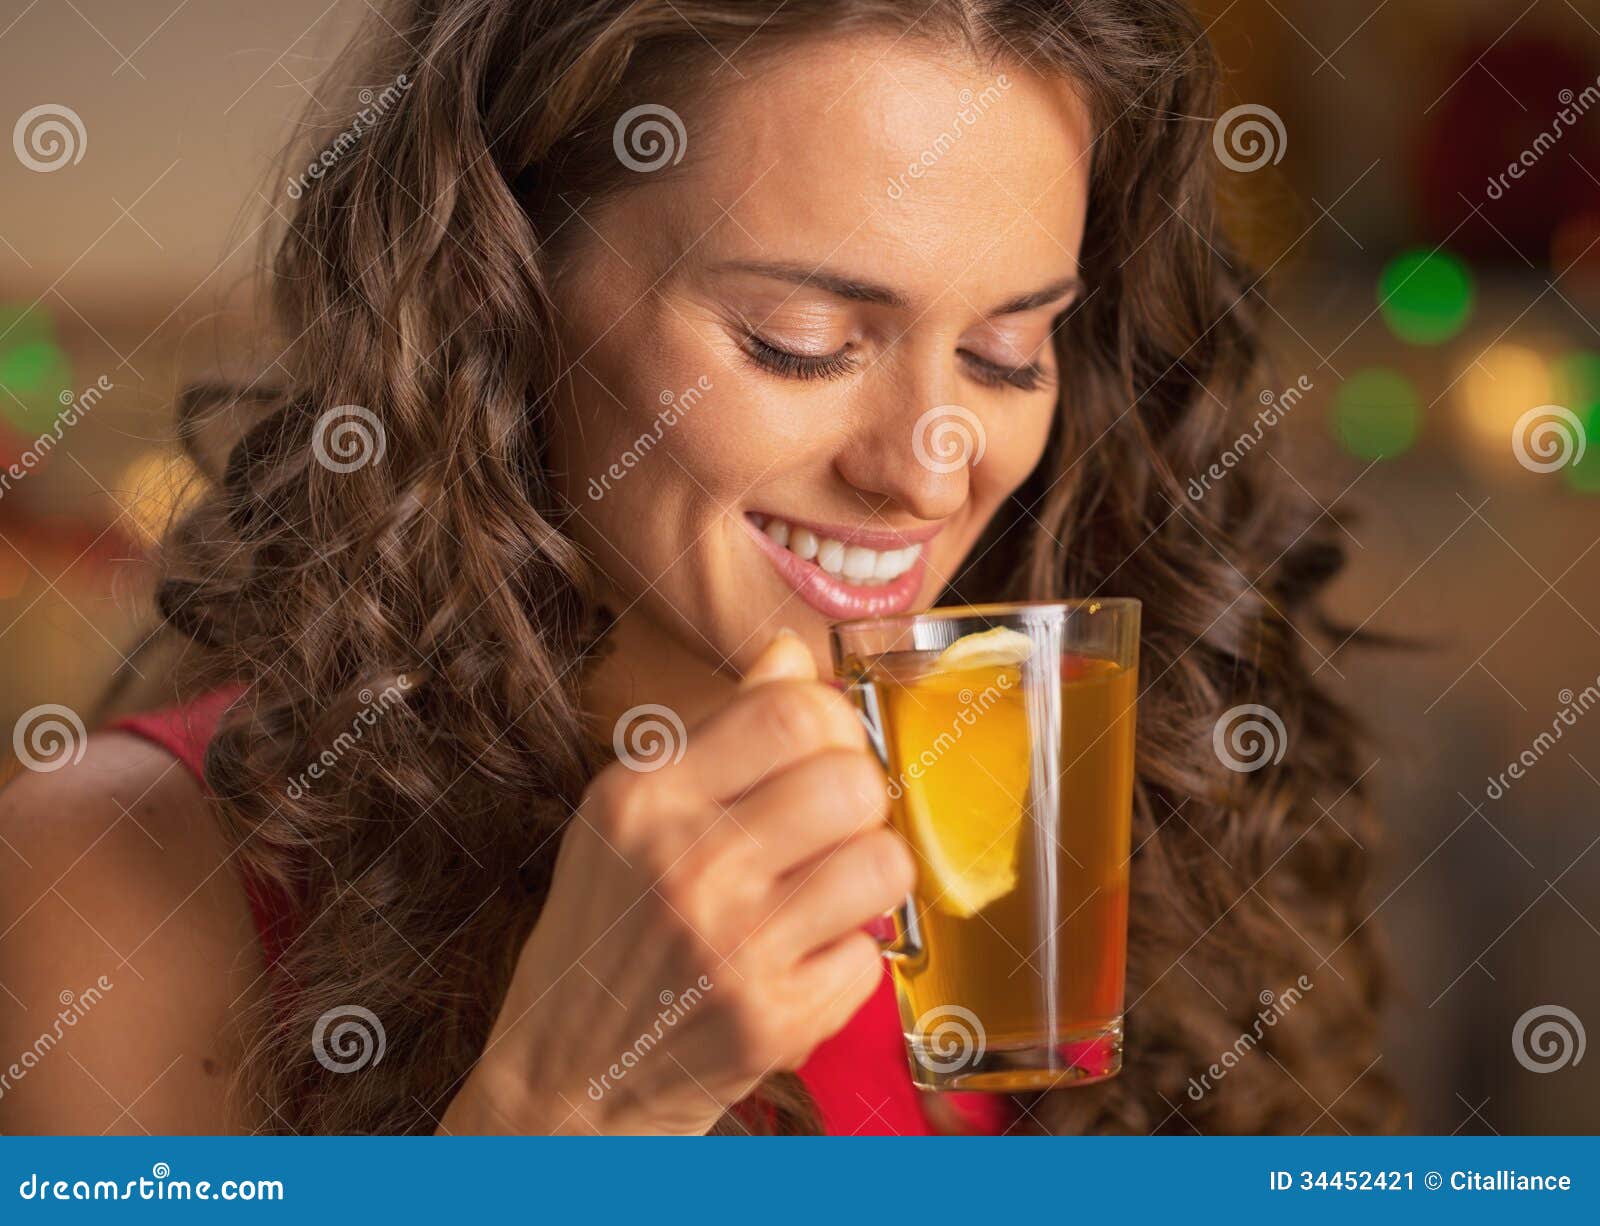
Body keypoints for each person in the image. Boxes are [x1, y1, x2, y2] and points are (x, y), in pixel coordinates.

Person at [0, 0, 1398, 1135]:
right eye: (799, 339)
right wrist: (563, 1112)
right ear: (505, 285)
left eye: (1007, 351)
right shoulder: (110, 888)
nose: (929, 465)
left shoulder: (1056, 801)